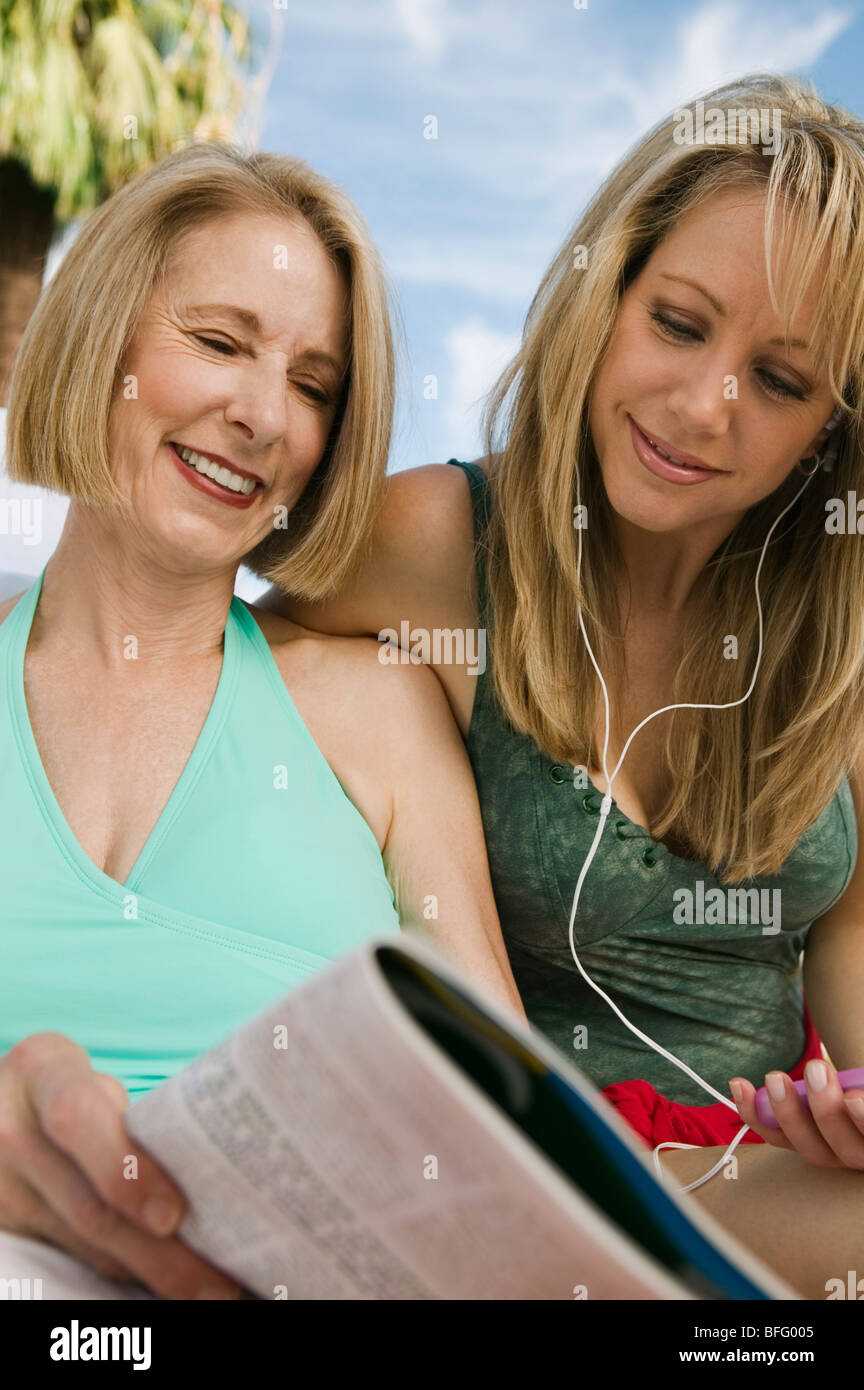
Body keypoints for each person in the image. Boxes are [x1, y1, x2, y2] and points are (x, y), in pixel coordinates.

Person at [257, 73, 864, 1299]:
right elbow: (174, 647)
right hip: (545, 1168)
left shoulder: (839, 626)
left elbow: (849, 921)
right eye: (678, 324)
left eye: (782, 381)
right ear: (606, 293)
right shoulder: (434, 542)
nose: (702, 407)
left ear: (833, 431)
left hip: (770, 1178)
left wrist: (858, 1098)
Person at [0, 142, 524, 1299]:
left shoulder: (374, 711)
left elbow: (512, 1104)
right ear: (102, 338)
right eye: (220, 342)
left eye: (314, 385)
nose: (263, 414)